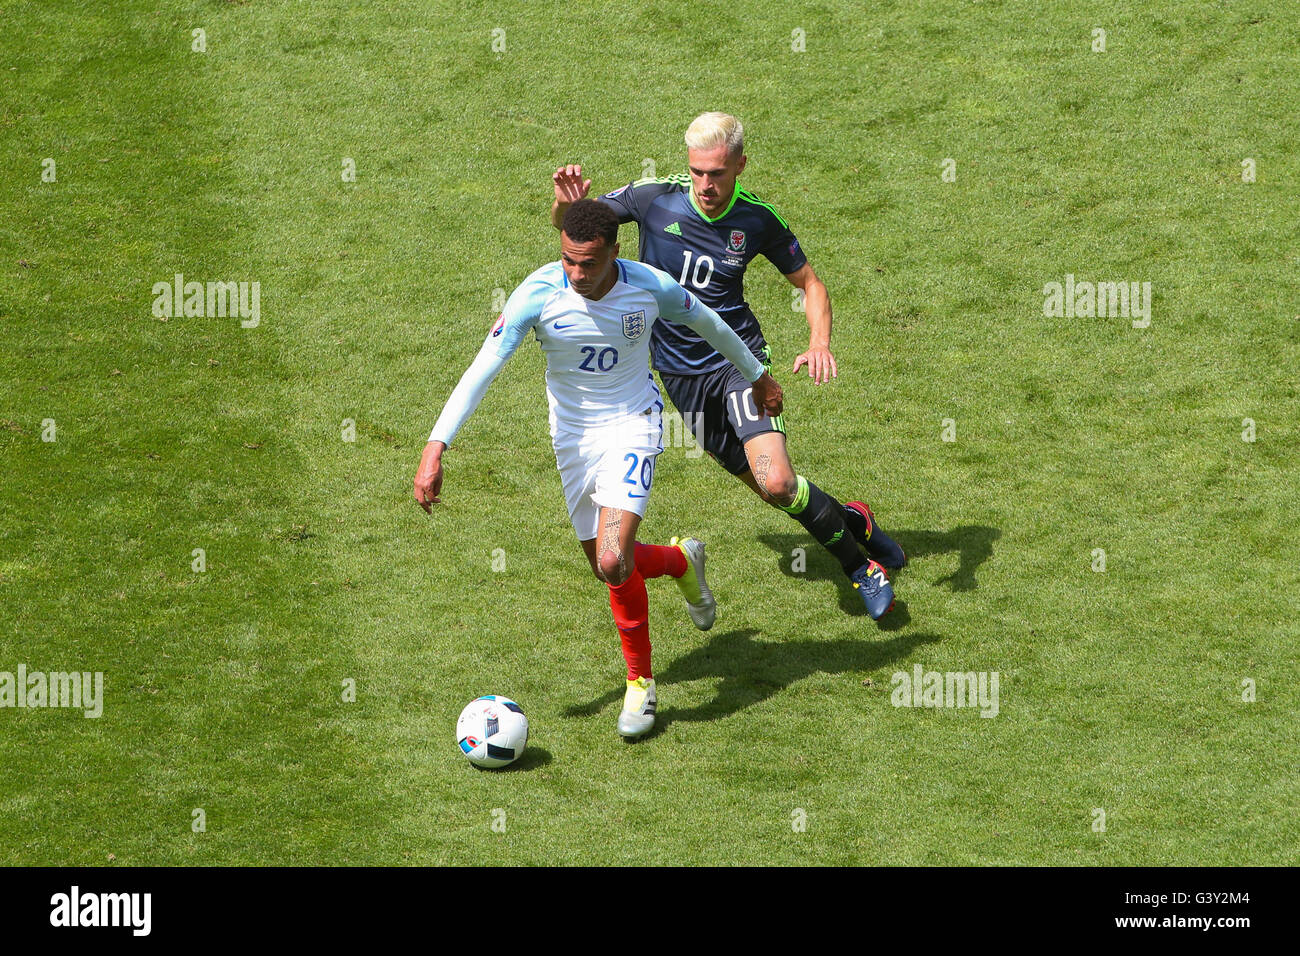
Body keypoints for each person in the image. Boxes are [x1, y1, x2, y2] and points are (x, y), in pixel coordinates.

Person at [413, 199, 785, 737]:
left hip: (634, 423)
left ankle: (641, 687)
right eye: (568, 260)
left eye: (588, 263)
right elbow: (483, 367)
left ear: (615, 251)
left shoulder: (649, 286)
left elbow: (710, 323)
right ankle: (681, 561)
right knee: (608, 565)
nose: (577, 274)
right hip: (572, 439)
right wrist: (435, 445)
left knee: (613, 562)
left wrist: (757, 375)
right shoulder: (536, 294)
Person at [550, 112, 905, 620]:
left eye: (716, 173)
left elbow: (810, 284)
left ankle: (861, 570)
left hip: (739, 363)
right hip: (679, 377)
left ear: (740, 164)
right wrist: (564, 207)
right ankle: (854, 520)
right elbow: (577, 231)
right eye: (696, 172)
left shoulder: (758, 219)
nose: (705, 185)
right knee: (769, 491)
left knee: (778, 480)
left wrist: (819, 340)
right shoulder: (653, 198)